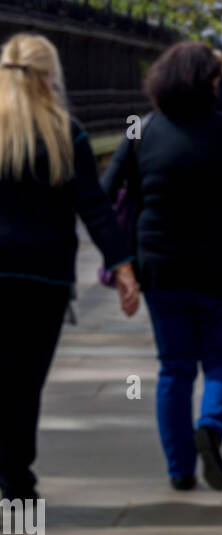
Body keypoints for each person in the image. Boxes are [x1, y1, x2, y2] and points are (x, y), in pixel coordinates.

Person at [103, 41, 222, 491]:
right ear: (204, 84)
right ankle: (211, 427)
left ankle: (180, 469)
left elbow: (107, 191)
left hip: (161, 269)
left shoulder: (142, 130)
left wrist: (124, 261)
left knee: (174, 368)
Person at [0, 32, 138, 502]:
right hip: (42, 278)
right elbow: (94, 206)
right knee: (23, 383)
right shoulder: (66, 132)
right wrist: (121, 265)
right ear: (50, 76)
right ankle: (16, 481)